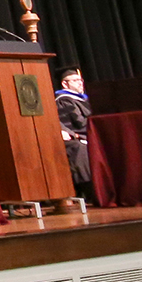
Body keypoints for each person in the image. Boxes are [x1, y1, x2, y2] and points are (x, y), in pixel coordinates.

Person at [56, 65, 93, 198]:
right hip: (79, 136)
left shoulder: (83, 99)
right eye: (76, 80)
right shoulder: (64, 100)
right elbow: (80, 123)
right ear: (65, 84)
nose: (80, 83)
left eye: (81, 80)